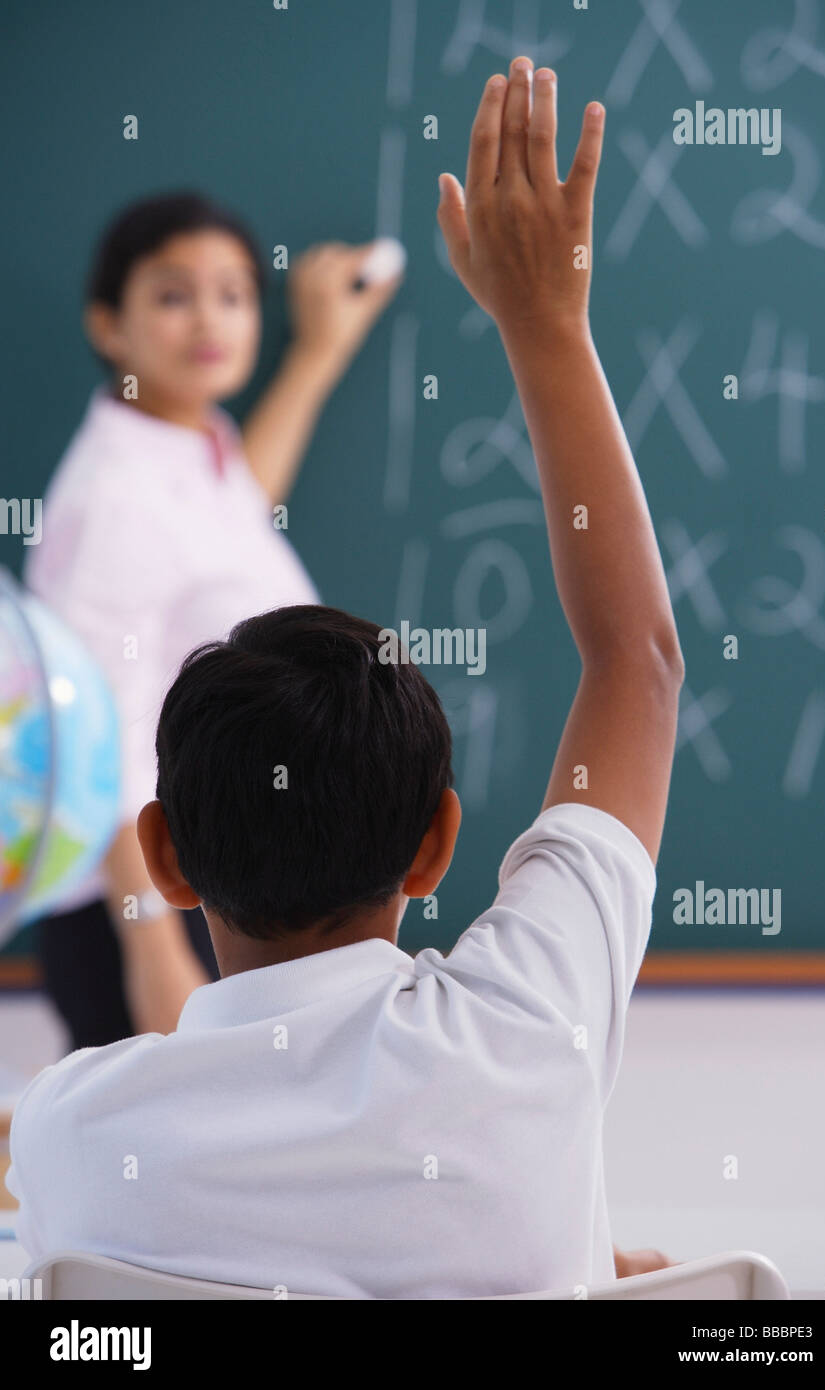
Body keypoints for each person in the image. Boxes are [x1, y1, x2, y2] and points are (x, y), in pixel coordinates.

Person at [7, 59, 681, 1296]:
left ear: (168, 852)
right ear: (435, 844)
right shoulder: (529, 1030)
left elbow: (633, 666)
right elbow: (636, 660)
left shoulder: (73, 1127)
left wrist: (321, 356)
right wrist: (545, 321)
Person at [22, 192, 401, 1047]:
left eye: (233, 294)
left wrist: (318, 355)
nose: (209, 319)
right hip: (150, 908)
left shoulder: (193, 443)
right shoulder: (114, 496)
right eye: (172, 295)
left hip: (212, 886)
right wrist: (155, 954)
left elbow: (229, 519)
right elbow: (95, 735)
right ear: (108, 326)